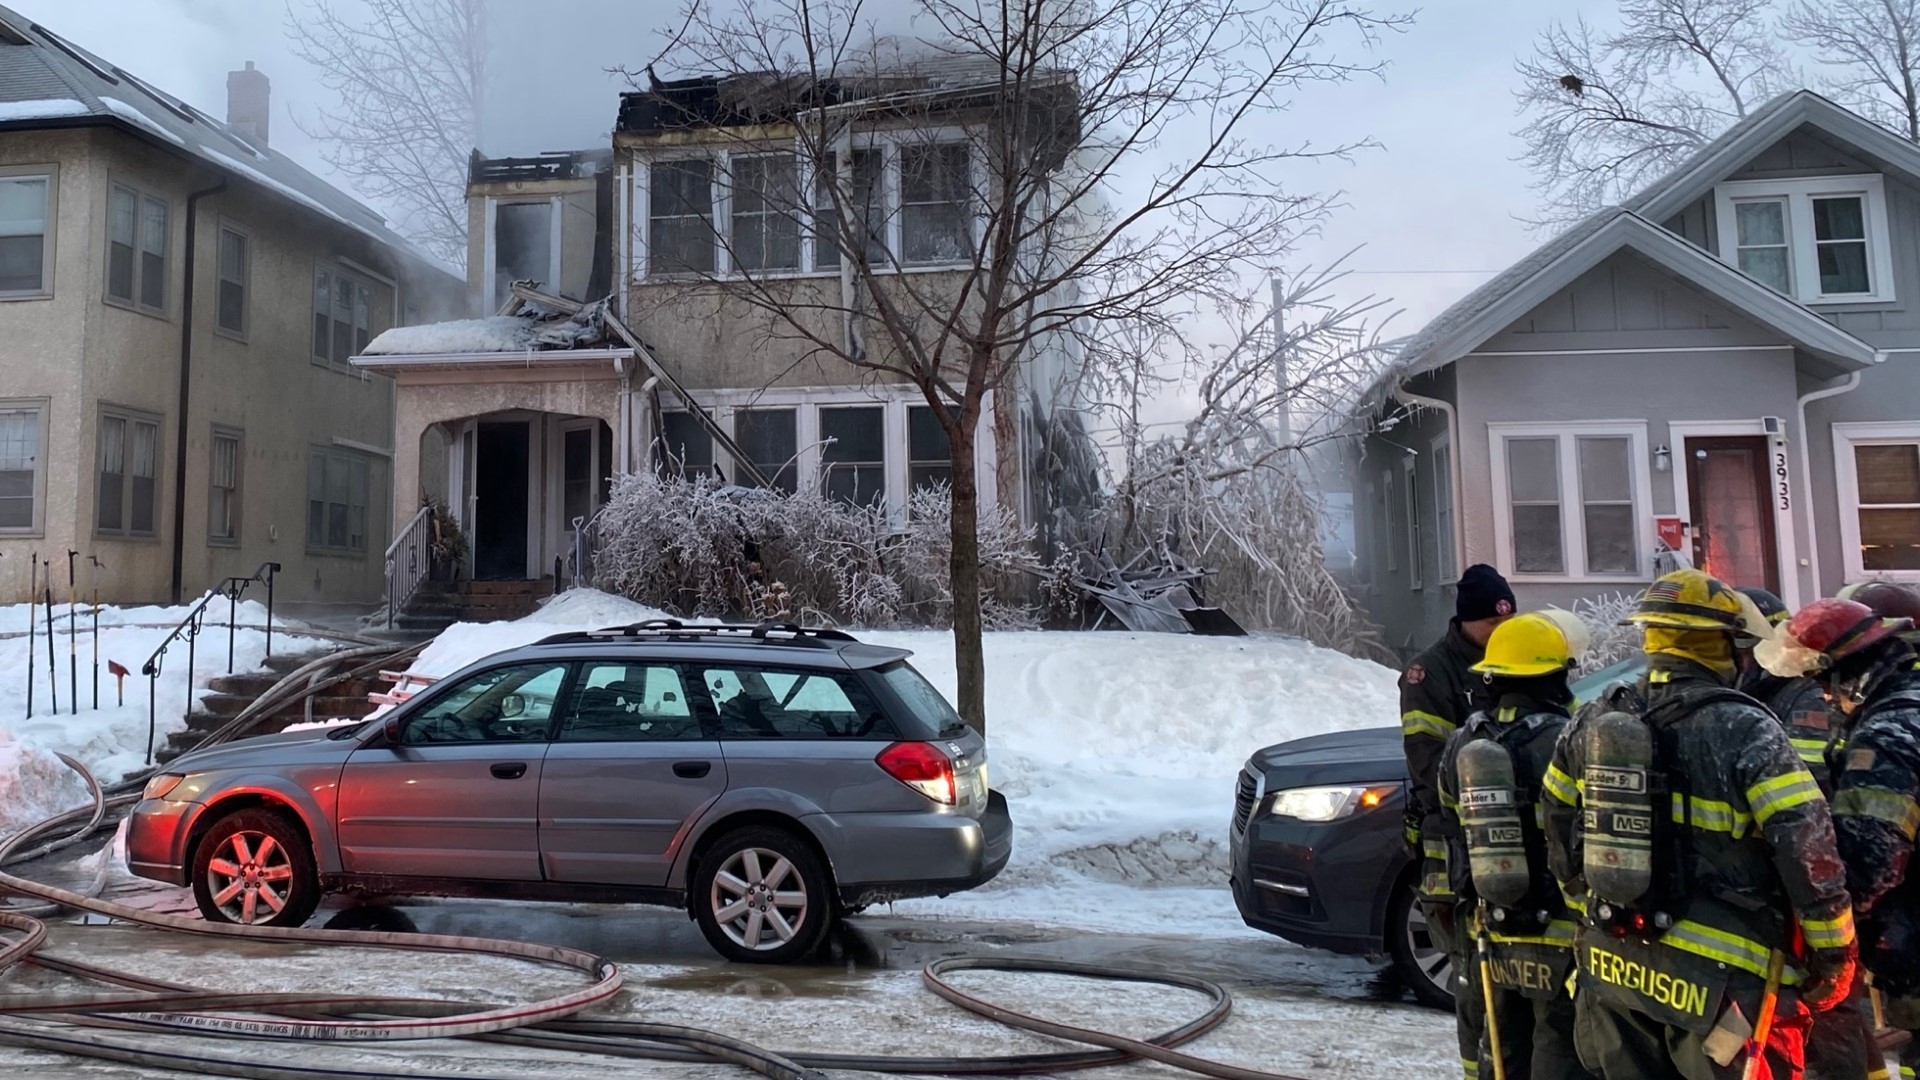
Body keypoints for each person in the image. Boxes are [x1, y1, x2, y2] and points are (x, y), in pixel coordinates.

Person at [1543, 569, 1856, 1080]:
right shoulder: (1746, 727)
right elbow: (1806, 849)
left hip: (1614, 964)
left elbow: (1555, 820)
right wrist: (1834, 951)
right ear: (1722, 644)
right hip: (1722, 986)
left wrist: (1587, 904)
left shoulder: (1594, 716)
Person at [1762, 597, 1920, 1080]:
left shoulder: (1888, 735)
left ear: (1850, 673)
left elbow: (1870, 856)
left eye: (1825, 686)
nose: (1826, 700)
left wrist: (1817, 913)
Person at [1438, 610, 1600, 1080]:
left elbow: (1453, 815)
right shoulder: (1567, 741)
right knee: (1560, 1048)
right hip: (1560, 931)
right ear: (1552, 678)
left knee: (1498, 1046)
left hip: (1490, 926)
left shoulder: (1462, 744)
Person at [1739, 587, 1880, 1080]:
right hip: (1804, 882)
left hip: (1820, 879)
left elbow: (1809, 801)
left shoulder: (1802, 700)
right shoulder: (1762, 698)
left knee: (1834, 1017)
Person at [1404, 563, 1517, 1079]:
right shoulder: (1430, 675)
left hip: (1510, 842)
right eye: (1492, 625)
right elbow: (1428, 765)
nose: (1502, 632)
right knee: (1475, 979)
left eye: (1508, 621)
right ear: (1467, 621)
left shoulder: (1515, 661)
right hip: (1453, 841)